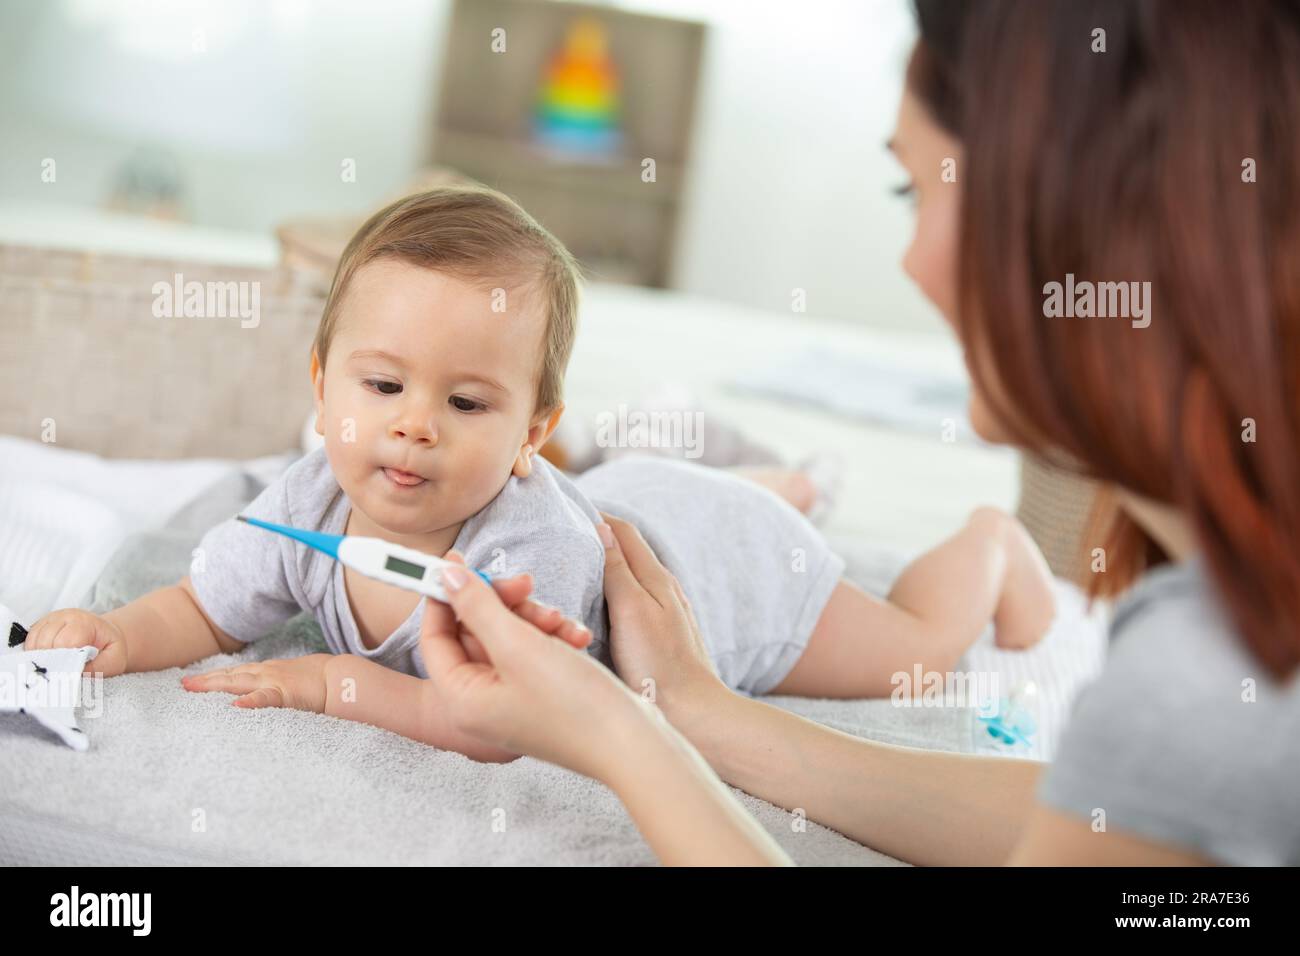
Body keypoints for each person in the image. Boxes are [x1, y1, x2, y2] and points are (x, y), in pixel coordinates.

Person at [411, 0, 1300, 865]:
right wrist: (697, 711)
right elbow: (1110, 820)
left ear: (1079, 213)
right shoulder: (1215, 657)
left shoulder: (1201, 685)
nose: (909, 261)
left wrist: (617, 734)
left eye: (917, 189)